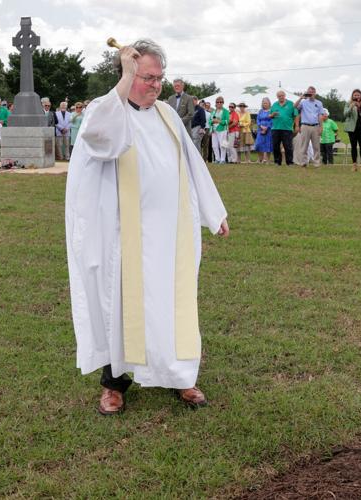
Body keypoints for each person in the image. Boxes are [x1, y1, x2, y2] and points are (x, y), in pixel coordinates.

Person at [65, 39, 228, 416]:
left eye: (160, 78)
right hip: (124, 236)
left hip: (170, 234)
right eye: (147, 77)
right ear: (128, 74)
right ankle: (113, 385)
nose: (156, 85)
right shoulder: (107, 109)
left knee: (172, 305)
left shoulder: (168, 115)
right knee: (119, 306)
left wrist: (214, 211)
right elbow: (101, 141)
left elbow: (193, 164)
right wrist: (124, 78)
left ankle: (180, 375)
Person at [294, 86, 324, 167]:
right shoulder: (303, 102)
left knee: (316, 146)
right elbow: (294, 106)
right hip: (305, 126)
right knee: (304, 145)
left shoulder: (319, 103)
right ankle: (303, 162)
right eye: (309, 92)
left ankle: (316, 163)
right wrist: (301, 98)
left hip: (315, 126)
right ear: (307, 92)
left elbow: (320, 116)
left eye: (312, 92)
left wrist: (321, 127)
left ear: (315, 93)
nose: (311, 93)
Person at [343, 89, 361, 172]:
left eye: (358, 95)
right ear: (352, 96)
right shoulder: (348, 103)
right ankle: (354, 165)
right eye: (355, 95)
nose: (356, 96)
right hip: (352, 128)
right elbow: (345, 114)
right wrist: (351, 106)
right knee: (353, 146)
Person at [269, 90, 296, 166]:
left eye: (282, 95)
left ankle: (289, 162)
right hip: (275, 128)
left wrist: (296, 125)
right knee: (276, 146)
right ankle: (277, 162)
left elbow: (296, 114)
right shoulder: (274, 104)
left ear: (285, 95)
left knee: (288, 146)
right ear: (277, 97)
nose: (281, 97)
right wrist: (273, 114)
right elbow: (269, 116)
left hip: (287, 128)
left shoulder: (291, 104)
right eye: (279, 96)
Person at [208, 97, 229, 164]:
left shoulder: (226, 111)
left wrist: (219, 121)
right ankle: (217, 159)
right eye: (218, 102)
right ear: (216, 103)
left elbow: (227, 121)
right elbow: (209, 121)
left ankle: (222, 159)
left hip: (222, 130)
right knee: (214, 145)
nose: (219, 103)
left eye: (221, 102)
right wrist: (212, 121)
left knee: (222, 145)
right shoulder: (213, 111)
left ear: (223, 103)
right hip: (214, 130)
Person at [254, 97, 273, 164]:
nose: (265, 104)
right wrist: (260, 126)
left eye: (266, 103)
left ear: (269, 103)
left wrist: (267, 127)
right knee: (258, 144)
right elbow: (257, 119)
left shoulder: (271, 111)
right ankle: (260, 159)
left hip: (269, 129)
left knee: (268, 144)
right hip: (260, 129)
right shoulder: (260, 111)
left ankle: (268, 160)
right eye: (264, 103)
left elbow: (272, 120)